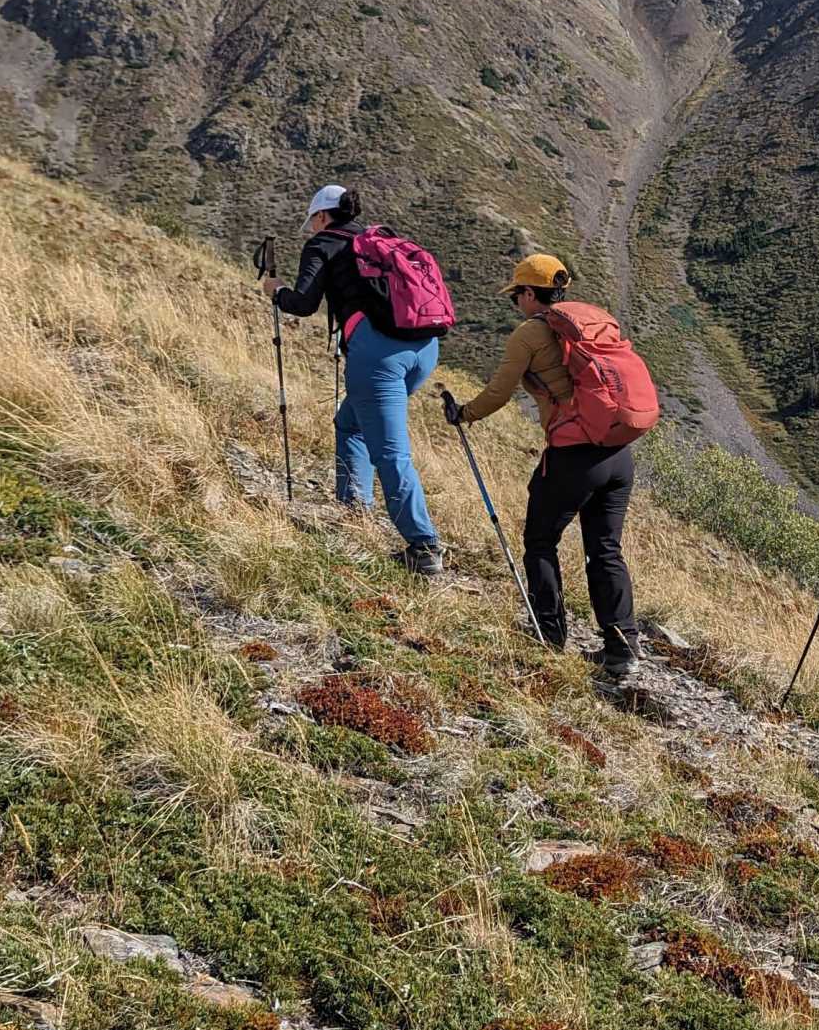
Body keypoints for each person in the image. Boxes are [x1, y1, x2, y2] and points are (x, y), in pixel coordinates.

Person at [443, 256, 641, 681]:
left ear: (531, 294)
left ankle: (548, 634)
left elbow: (499, 391)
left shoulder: (529, 334)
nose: (516, 301)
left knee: (540, 541)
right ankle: (621, 647)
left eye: (517, 294)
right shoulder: (590, 323)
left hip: (573, 457)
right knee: (605, 549)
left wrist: (465, 414)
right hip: (618, 452)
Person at [265, 184, 443, 575]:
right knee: (351, 423)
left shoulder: (323, 245)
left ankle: (423, 545)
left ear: (323, 216)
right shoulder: (381, 238)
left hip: (378, 355)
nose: (311, 229)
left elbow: (304, 303)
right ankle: (353, 511)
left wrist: (276, 292)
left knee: (390, 452)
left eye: (312, 221)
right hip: (424, 348)